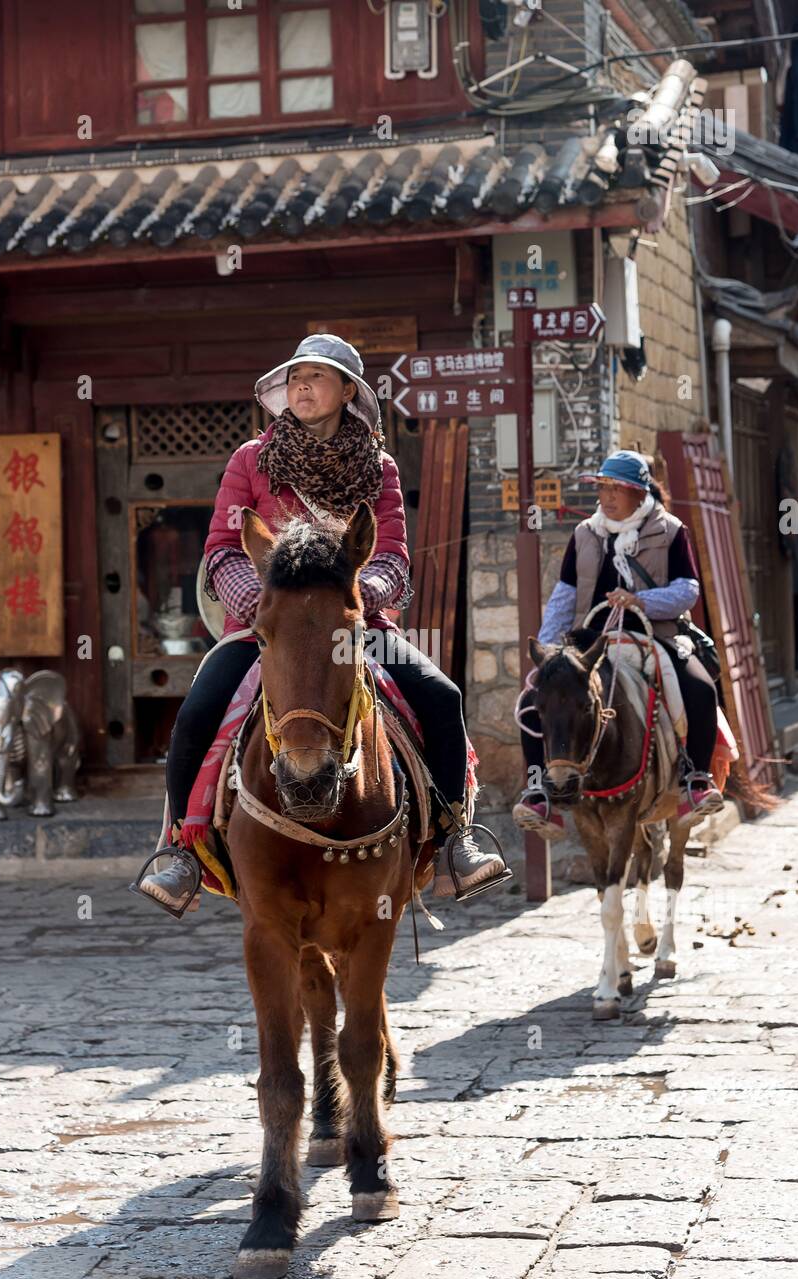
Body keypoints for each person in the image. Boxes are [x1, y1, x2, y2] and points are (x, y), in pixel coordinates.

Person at [136, 334, 506, 913]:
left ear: (348, 391)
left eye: (317, 376)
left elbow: (392, 558)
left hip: (353, 625)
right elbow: (221, 551)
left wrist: (354, 598)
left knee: (440, 693)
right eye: (295, 376)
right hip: (266, 627)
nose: (301, 386)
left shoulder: (379, 470)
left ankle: (456, 834)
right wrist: (267, 606)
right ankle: (182, 847)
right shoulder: (249, 461)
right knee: (197, 712)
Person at [513, 449, 724, 840]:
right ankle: (538, 789)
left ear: (640, 494)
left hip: (655, 634)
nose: (607, 497)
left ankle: (696, 778)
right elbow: (565, 594)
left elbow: (688, 590)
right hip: (590, 643)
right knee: (532, 699)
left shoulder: (672, 530)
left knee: (700, 686)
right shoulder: (585, 534)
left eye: (617, 489)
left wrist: (643, 601)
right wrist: (546, 653)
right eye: (603, 488)